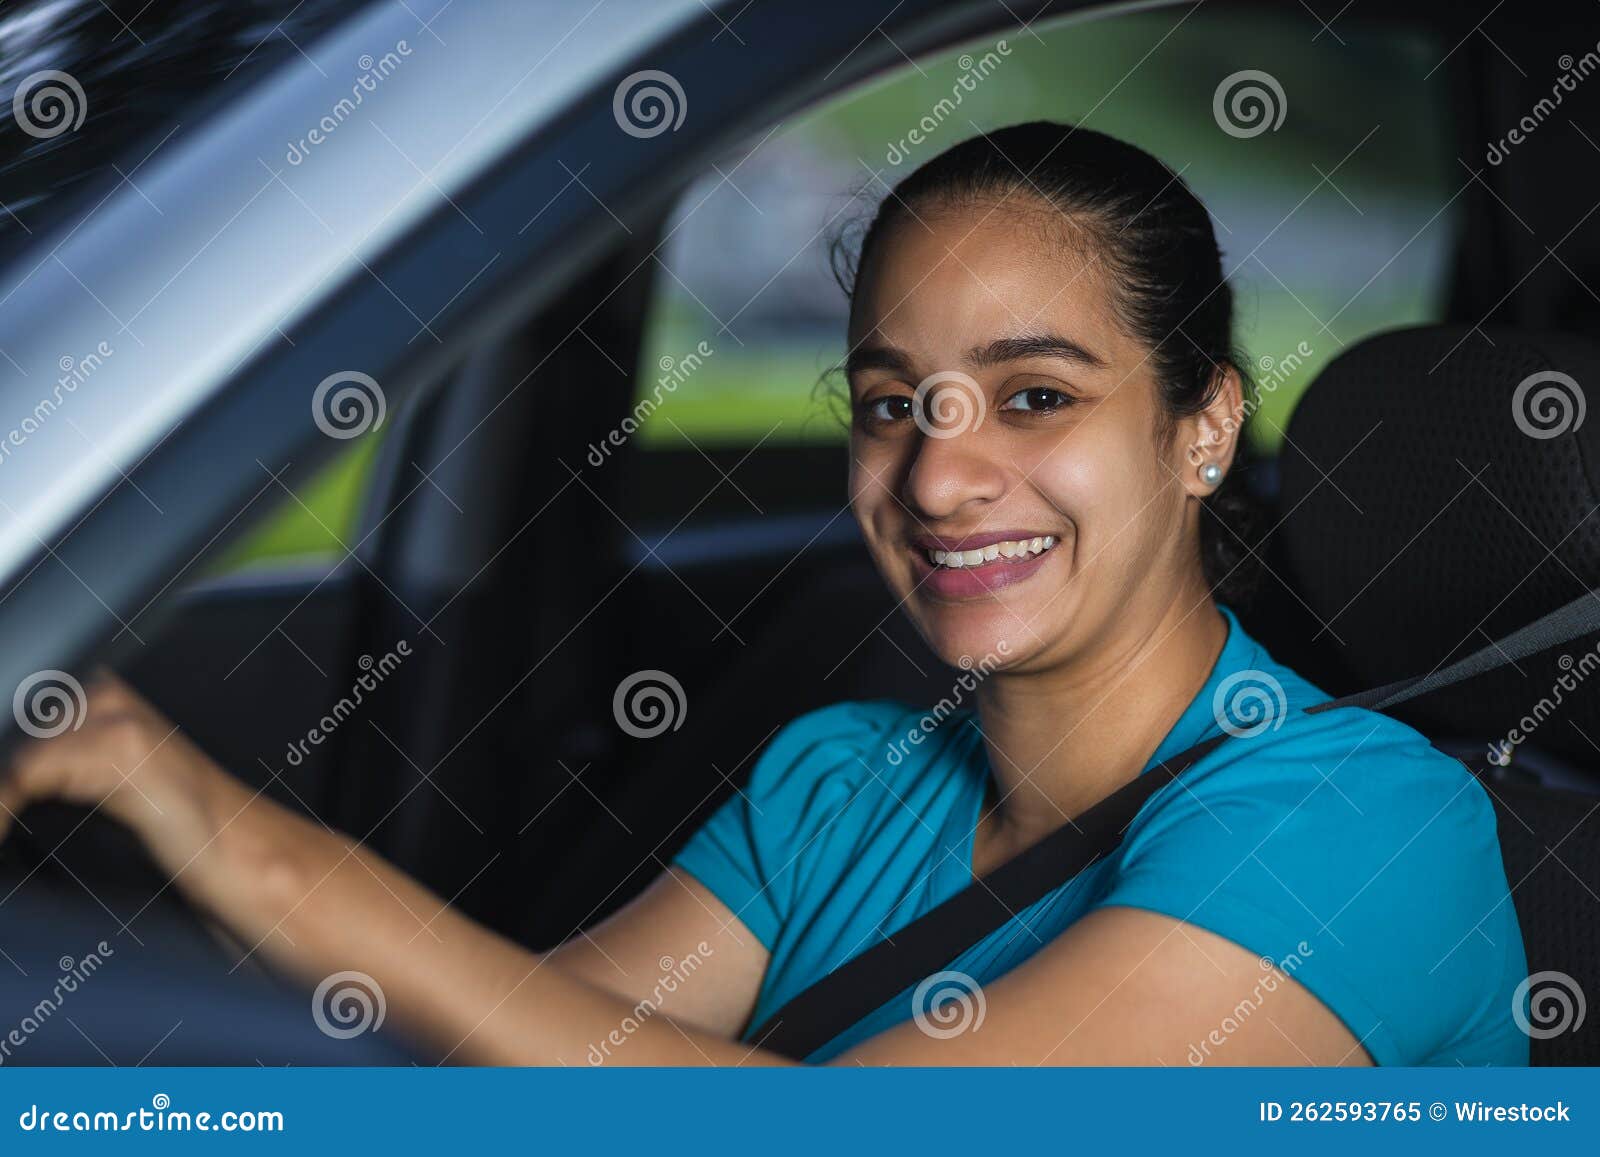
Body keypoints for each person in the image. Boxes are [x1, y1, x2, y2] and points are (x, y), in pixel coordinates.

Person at [0, 122, 1528, 1066]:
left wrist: (198, 811)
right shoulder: (833, 784)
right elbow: (491, 1051)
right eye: (889, 404)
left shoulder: (1371, 829)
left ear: (1201, 425)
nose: (936, 479)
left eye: (1036, 397)